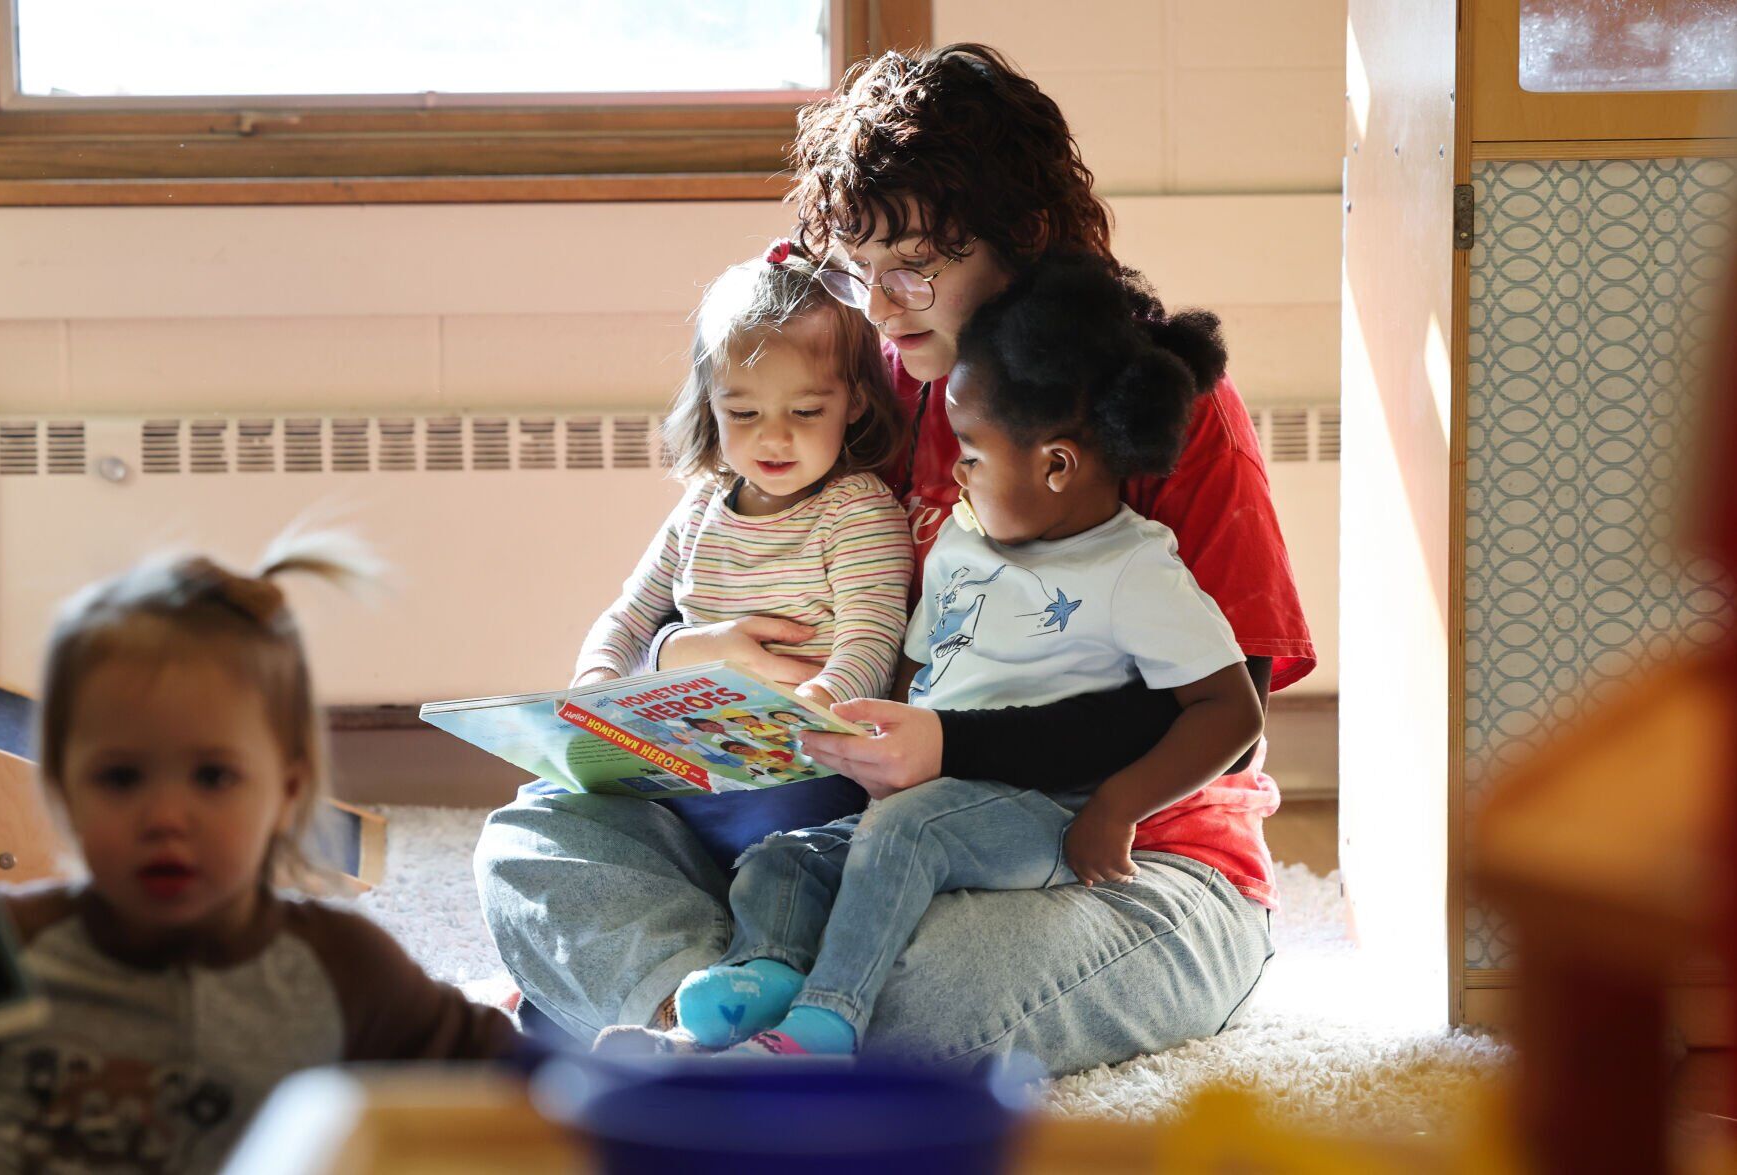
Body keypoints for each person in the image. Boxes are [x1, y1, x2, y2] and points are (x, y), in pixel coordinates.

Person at [477, 43, 1313, 1073]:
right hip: (846, 833)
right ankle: (726, 1010)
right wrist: (685, 655)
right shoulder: (868, 375)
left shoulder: (1161, 403)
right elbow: (710, 551)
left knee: (921, 983)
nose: (879, 307)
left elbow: (1229, 712)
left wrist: (948, 744)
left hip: (1126, 858)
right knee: (534, 837)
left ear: (1026, 239)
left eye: (914, 267)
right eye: (854, 270)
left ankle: (692, 1010)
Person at [646, 252, 1265, 1058]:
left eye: (970, 452)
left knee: (906, 851)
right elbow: (915, 673)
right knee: (784, 859)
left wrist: (1116, 807)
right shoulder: (960, 549)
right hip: (933, 807)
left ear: (1055, 465)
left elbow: (1231, 711)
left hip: (1048, 810)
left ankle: (824, 1021)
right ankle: (762, 973)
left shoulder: (1134, 569)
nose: (956, 473)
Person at [0, 534, 516, 1174]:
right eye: (120, 779)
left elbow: (537, 1094)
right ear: (63, 789)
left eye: (212, 778)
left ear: (286, 791)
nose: (166, 817)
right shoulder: (7, 948)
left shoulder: (347, 969)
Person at [533, 244, 914, 883]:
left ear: (854, 401)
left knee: (783, 856)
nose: (773, 436)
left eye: (805, 411)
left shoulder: (857, 510)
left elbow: (871, 641)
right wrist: (596, 682)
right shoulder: (705, 502)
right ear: (711, 403)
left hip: (796, 771)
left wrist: (813, 708)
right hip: (684, 757)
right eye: (744, 412)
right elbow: (629, 617)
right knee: (541, 818)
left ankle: (697, 943)